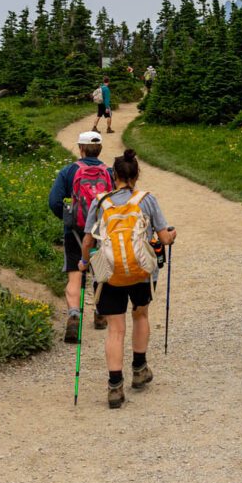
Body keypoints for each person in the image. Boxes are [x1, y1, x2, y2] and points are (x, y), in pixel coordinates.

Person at [80, 148, 178, 409]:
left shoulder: (101, 201)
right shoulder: (147, 200)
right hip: (142, 271)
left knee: (115, 328)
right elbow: (164, 237)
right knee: (141, 315)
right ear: (137, 174)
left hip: (110, 272)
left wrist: (83, 262)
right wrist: (171, 235)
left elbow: (88, 239)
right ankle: (139, 369)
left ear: (114, 175)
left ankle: (114, 387)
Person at [47, 131, 112, 342]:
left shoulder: (69, 171)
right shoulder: (109, 172)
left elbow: (54, 202)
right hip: (103, 231)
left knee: (75, 274)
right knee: (100, 272)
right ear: (99, 149)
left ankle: (74, 316)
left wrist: (69, 219)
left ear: (80, 148)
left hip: (75, 231)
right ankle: (101, 313)